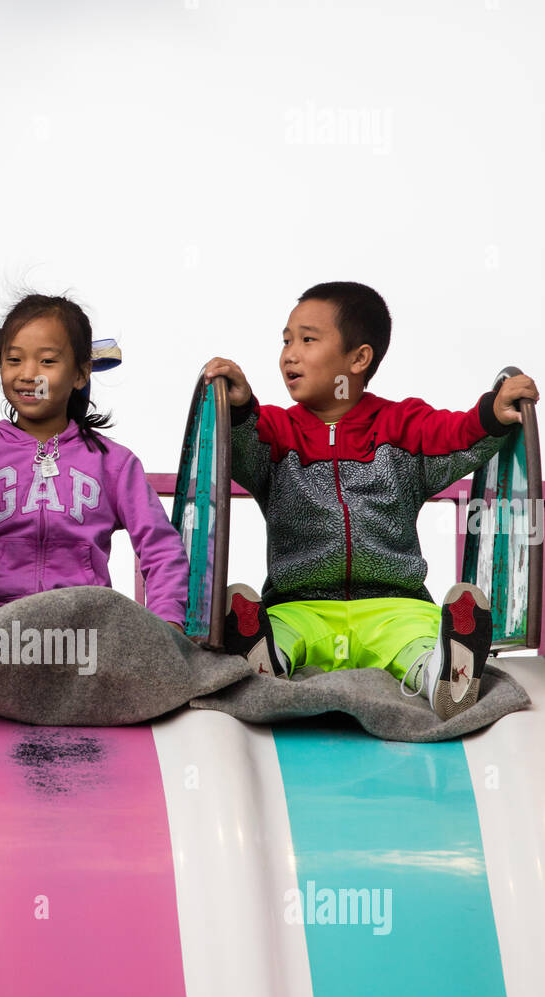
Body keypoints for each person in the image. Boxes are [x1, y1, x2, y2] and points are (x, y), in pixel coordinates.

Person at [203, 281, 539, 720]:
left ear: (358, 358)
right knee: (281, 631)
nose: (290, 354)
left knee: (418, 639)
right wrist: (242, 408)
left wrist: (493, 413)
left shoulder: (401, 424)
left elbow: (454, 436)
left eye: (308, 339)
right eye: (286, 341)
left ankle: (447, 669)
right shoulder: (275, 432)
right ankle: (264, 660)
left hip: (394, 604)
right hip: (301, 602)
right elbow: (243, 450)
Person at [0, 293, 189, 635]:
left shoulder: (114, 464)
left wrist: (168, 619)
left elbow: (160, 546)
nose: (28, 374)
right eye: (14, 359)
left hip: (85, 632)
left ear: (80, 373)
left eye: (47, 361)